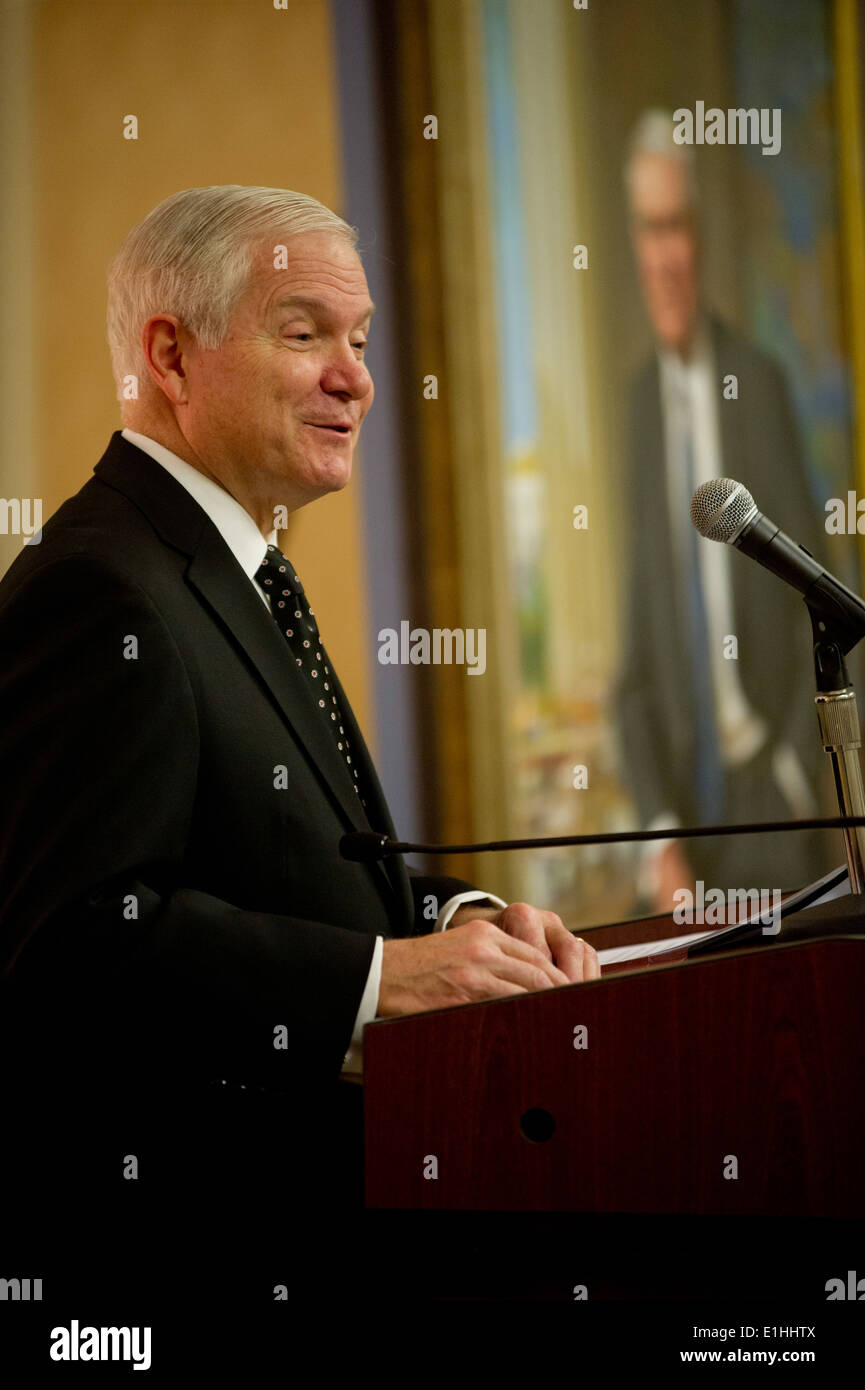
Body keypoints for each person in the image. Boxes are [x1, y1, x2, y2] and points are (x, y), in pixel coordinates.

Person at [0, 186, 598, 1289]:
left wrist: (465, 926)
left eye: (362, 340)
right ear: (171, 359)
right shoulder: (98, 586)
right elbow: (70, 946)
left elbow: (288, 874)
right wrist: (378, 982)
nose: (357, 377)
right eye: (305, 332)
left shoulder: (239, 571)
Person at [615, 112, 833, 912]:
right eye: (648, 229)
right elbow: (634, 657)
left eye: (676, 226)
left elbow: (820, 590)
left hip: (773, 805)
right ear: (633, 246)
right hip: (686, 824)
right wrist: (658, 832)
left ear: (699, 237)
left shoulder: (758, 383)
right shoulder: (635, 411)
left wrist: (798, 771)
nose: (665, 256)